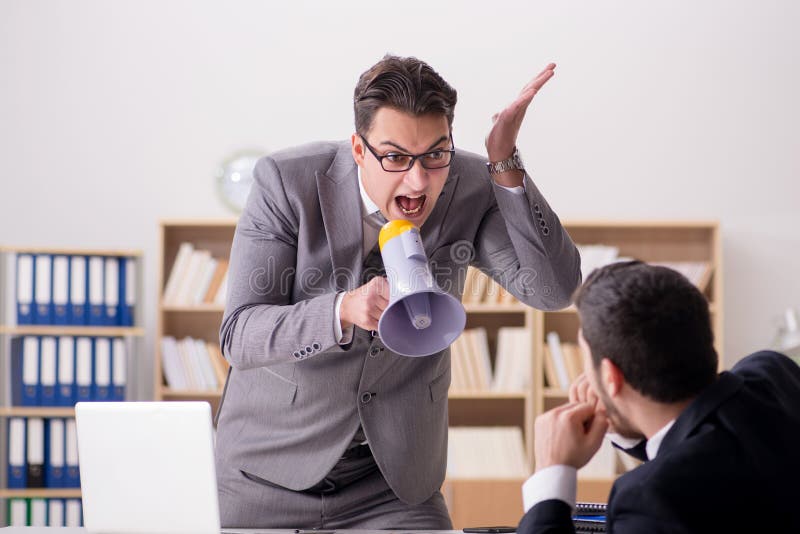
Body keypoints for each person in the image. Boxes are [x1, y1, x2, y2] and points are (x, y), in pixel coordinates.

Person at [215, 54, 582, 529]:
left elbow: (554, 291)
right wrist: (342, 310)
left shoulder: (470, 184)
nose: (418, 180)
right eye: (394, 157)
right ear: (358, 148)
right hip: (264, 477)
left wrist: (504, 161)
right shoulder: (287, 182)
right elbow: (239, 335)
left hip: (392, 486)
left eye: (436, 154)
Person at [519, 261, 800, 533]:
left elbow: (687, 475)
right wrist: (626, 423)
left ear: (610, 377)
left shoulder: (650, 502)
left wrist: (552, 475)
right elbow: (709, 449)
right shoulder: (772, 373)